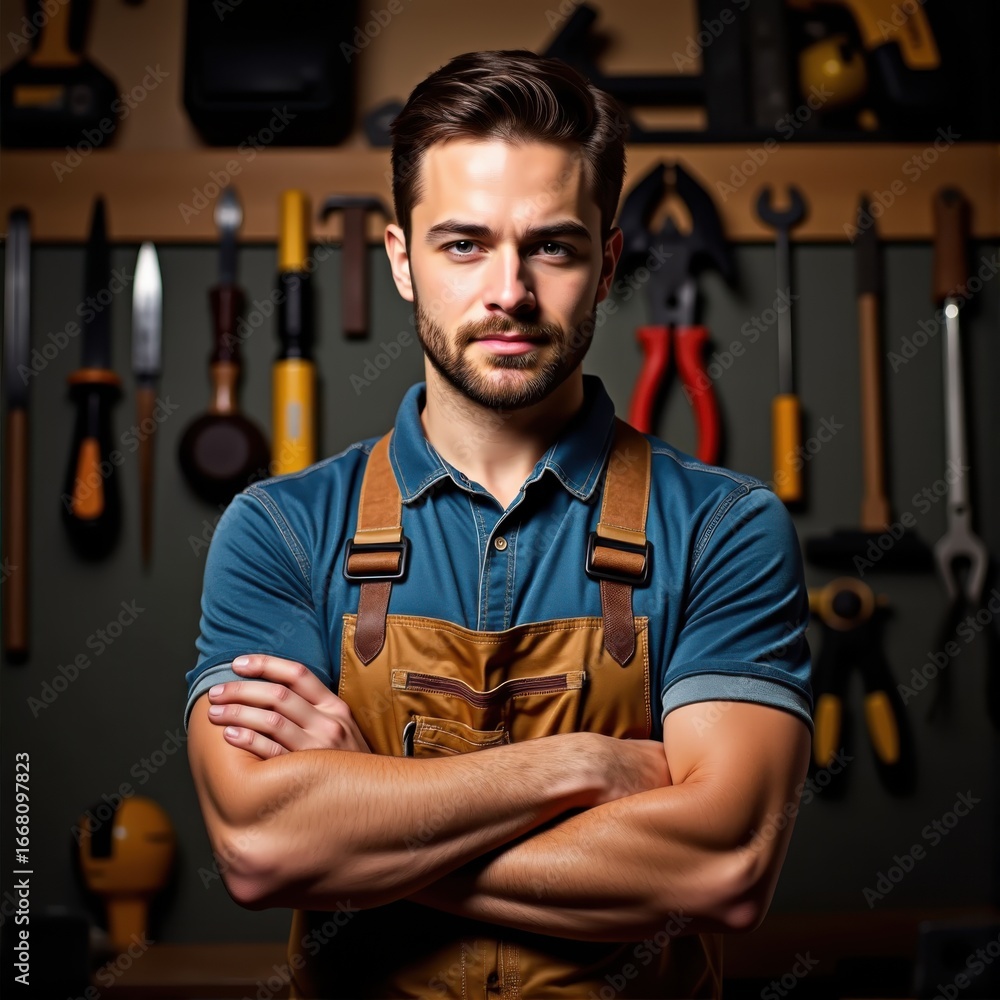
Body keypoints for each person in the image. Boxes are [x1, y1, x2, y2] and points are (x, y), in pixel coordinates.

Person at [185, 49, 813, 1000]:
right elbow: (262, 848)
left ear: (606, 264)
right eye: (464, 244)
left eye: (552, 247)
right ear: (402, 260)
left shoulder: (727, 529)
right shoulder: (280, 532)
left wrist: (368, 822)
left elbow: (723, 868)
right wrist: (583, 766)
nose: (509, 291)